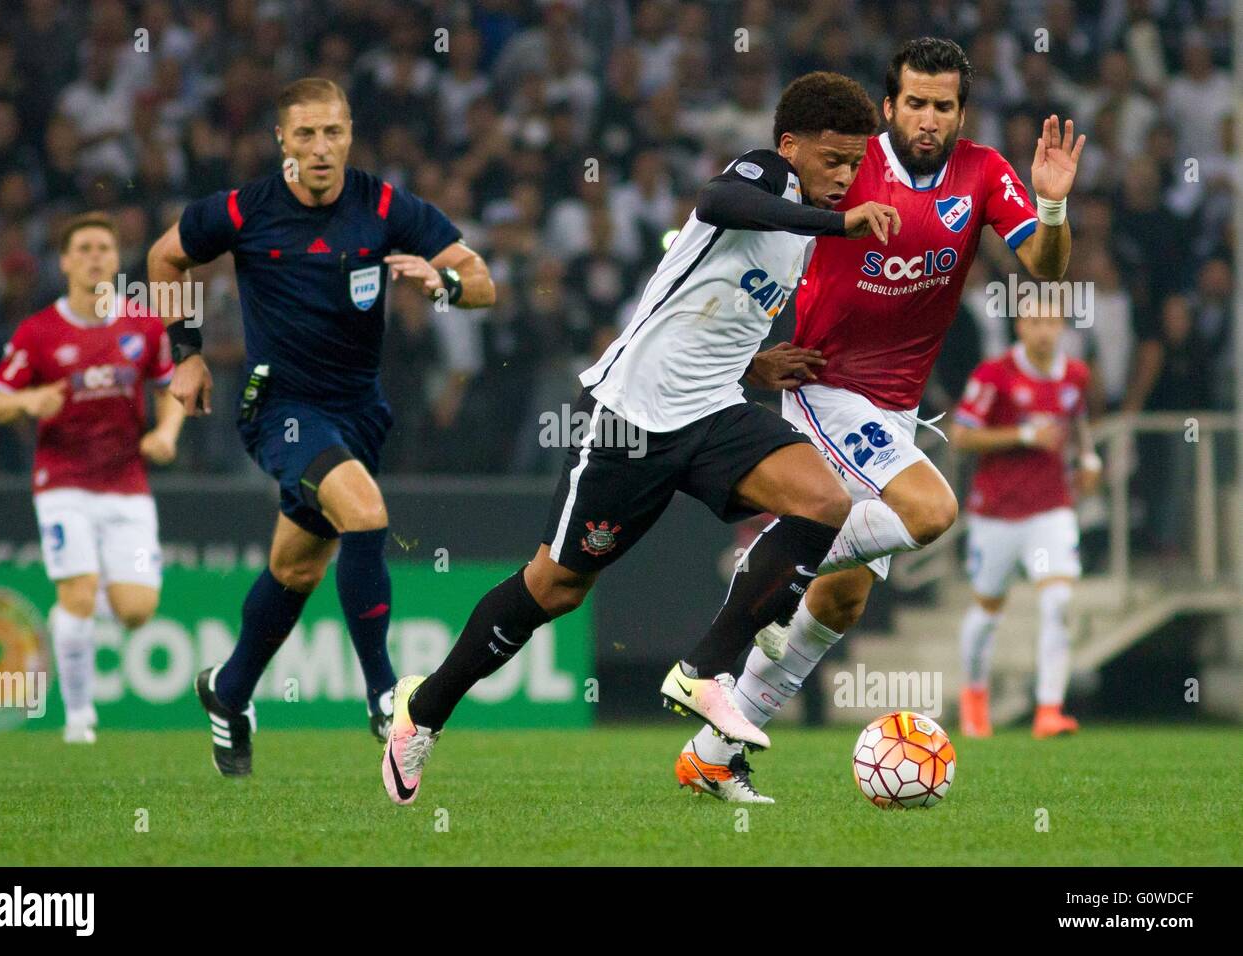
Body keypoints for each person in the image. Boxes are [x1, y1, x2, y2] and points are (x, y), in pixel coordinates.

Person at [382, 71, 904, 806]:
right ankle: (423, 711)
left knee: (825, 498)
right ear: (791, 146)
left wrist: (755, 362)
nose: (845, 178)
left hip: (714, 412)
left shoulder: (801, 230)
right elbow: (717, 201)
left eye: (855, 165)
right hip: (631, 422)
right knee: (554, 589)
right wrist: (840, 222)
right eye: (832, 161)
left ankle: (707, 669)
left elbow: (697, 308)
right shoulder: (764, 175)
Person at [678, 37, 1086, 801]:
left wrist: (1054, 203)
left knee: (841, 600)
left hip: (897, 408)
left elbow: (1050, 270)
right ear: (890, 105)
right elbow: (739, 238)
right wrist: (752, 357)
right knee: (931, 511)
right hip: (825, 387)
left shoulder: (985, 172)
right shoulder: (845, 165)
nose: (929, 120)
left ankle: (710, 754)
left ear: (961, 113)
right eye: (916, 104)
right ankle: (772, 565)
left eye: (944, 106)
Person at [146, 78, 495, 777]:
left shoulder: (386, 204)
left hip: (358, 412)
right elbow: (165, 257)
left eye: (332, 132)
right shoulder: (247, 209)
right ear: (282, 140)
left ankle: (229, 688)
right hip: (279, 407)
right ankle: (383, 696)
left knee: (296, 568)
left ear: (350, 132)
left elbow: (482, 281)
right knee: (365, 512)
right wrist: (183, 357)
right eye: (304, 134)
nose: (320, 147)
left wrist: (445, 285)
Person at [0, 211, 185, 744]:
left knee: (137, 611)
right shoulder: (38, 332)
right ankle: (78, 718)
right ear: (67, 260)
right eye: (85, 248)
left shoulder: (142, 326)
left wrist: (167, 434)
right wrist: (28, 400)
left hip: (127, 484)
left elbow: (171, 387)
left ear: (116, 261)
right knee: (77, 594)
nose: (96, 256)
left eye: (105, 248)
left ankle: (76, 605)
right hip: (62, 481)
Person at [952, 304, 1100, 739]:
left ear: (1061, 326)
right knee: (987, 611)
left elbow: (1079, 425)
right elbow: (961, 436)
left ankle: (1049, 710)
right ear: (1020, 326)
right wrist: (1023, 435)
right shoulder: (993, 375)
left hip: (1051, 508)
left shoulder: (1075, 375)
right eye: (1035, 322)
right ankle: (975, 697)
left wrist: (1089, 458)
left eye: (1051, 322)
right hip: (996, 512)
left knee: (1058, 603)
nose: (1043, 332)